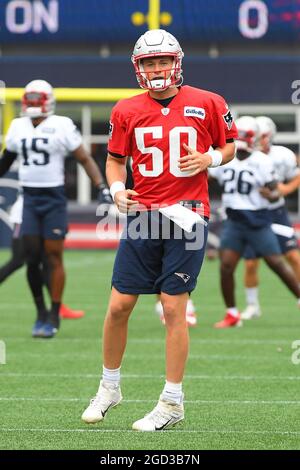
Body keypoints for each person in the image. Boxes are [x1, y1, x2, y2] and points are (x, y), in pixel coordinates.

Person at [81, 29, 237, 431]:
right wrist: (116, 189)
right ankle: (109, 387)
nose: (156, 68)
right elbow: (115, 159)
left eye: (162, 60)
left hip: (188, 215)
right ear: (139, 67)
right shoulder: (126, 109)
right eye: (149, 62)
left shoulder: (208, 101)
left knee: (173, 308)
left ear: (177, 63)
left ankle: (172, 401)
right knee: (119, 306)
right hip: (144, 215)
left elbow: (230, 146)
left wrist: (209, 159)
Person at [0, 79, 108, 338]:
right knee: (31, 258)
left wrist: (101, 185)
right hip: (29, 198)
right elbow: (7, 160)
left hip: (53, 198)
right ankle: (40, 312)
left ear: (48, 100)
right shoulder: (17, 126)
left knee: (53, 256)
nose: (34, 104)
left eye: (38, 98)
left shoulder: (62, 125)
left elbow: (84, 158)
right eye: (31, 99)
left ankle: (54, 311)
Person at [210, 116, 300, 328]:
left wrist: (270, 195)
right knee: (226, 266)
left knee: (277, 263)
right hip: (233, 221)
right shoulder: (225, 157)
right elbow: (208, 176)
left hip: (257, 220)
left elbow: (276, 191)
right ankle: (232, 314)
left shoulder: (262, 160)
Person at [241, 116, 300, 320]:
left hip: (276, 211)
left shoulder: (282, 155)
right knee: (251, 262)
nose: (260, 139)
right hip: (253, 213)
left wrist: (283, 190)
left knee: (293, 256)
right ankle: (252, 305)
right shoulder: (244, 155)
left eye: (263, 136)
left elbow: (296, 175)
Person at [0, 192, 85, 320]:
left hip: (43, 214)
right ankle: (56, 307)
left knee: (46, 261)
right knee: (18, 260)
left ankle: (58, 306)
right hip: (24, 215)